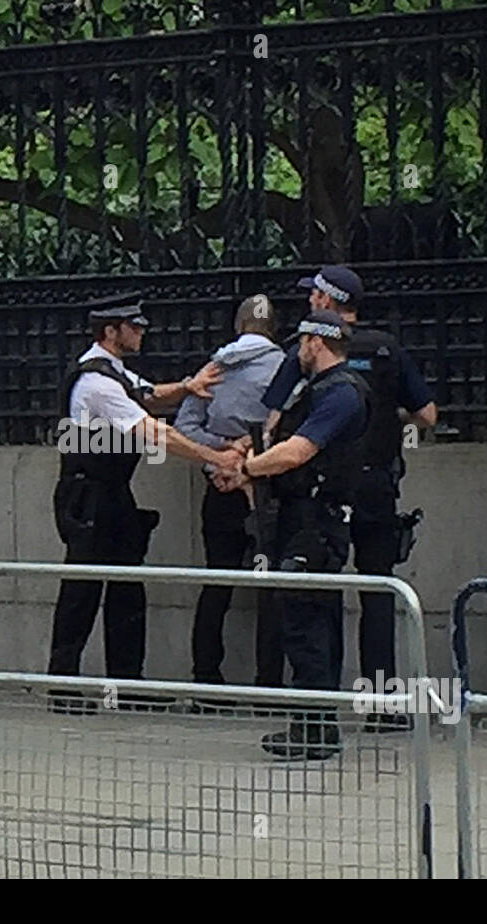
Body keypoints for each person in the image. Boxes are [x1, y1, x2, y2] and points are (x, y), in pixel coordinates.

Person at [48, 291, 244, 712]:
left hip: (113, 493)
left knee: (126, 588)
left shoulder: (115, 373)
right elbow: (156, 432)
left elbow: (151, 394)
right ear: (110, 331)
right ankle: (62, 687)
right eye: (133, 327)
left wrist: (189, 387)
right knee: (82, 590)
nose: (140, 333)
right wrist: (214, 456)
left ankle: (127, 685)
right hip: (89, 496)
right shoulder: (97, 383)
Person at [263, 266, 436, 730]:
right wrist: (386, 423)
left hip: (324, 491)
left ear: (326, 302)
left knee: (321, 593)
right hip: (377, 485)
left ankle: (322, 711)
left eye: (313, 295)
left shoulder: (304, 352)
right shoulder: (387, 348)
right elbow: (428, 413)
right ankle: (382, 706)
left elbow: (273, 416)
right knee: (379, 589)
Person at [222, 309, 370, 759]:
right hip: (303, 518)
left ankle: (314, 729)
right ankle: (315, 725)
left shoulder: (341, 393)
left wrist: (245, 468)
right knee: (308, 621)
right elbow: (279, 439)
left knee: (307, 624)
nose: (297, 350)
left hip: (315, 524)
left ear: (317, 342)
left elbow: (297, 452)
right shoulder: (320, 390)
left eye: (302, 341)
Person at [174, 294, 285, 687]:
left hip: (219, 488)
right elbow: (291, 429)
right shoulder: (286, 367)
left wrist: (220, 458)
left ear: (237, 327)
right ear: (274, 329)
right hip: (267, 488)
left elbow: (184, 426)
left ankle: (206, 679)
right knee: (271, 586)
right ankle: (268, 682)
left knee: (216, 583)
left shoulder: (214, 368)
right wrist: (248, 457)